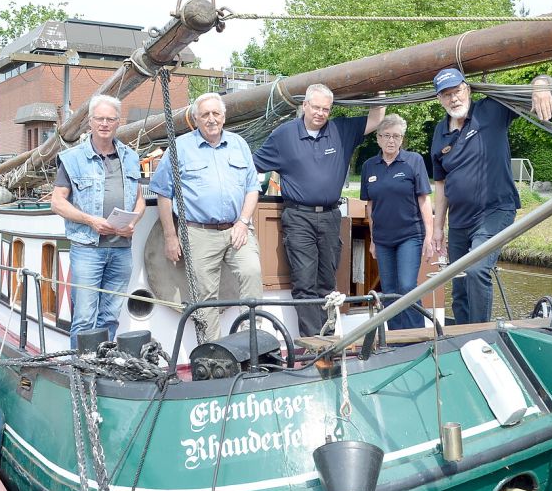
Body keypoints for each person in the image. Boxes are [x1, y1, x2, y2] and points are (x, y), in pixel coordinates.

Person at [253, 84, 385, 337]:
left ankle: (328, 335)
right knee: (304, 282)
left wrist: (379, 87)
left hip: (330, 216)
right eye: (316, 107)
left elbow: (376, 118)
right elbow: (252, 166)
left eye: (326, 109)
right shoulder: (284, 136)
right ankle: (314, 342)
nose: (320, 113)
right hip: (298, 216)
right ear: (305, 106)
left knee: (326, 281)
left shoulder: (341, 130)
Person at [429, 67, 552, 324]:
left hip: (494, 212)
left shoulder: (491, 110)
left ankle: (480, 333)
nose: (454, 99)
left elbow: (529, 91)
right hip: (459, 220)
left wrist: (541, 84)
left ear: (469, 89)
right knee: (460, 281)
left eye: (457, 91)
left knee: (476, 270)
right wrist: (438, 228)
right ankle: (462, 336)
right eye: (446, 95)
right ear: (439, 99)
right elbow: (440, 184)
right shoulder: (439, 133)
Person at [149, 93, 262, 342]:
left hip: (236, 229)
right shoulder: (179, 147)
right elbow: (164, 195)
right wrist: (170, 236)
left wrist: (243, 221)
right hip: (198, 233)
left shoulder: (239, 144)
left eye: (216, 114)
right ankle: (214, 353)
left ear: (224, 117)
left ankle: (252, 342)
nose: (211, 119)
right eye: (205, 115)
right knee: (205, 296)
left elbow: (252, 188)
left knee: (251, 272)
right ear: (196, 119)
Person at [51, 94, 145, 348]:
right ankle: (80, 373)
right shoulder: (72, 159)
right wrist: (89, 220)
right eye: (99, 119)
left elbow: (139, 200)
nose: (105, 124)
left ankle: (102, 366)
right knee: (84, 317)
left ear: (118, 123)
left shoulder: (131, 157)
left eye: (110, 119)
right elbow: (57, 202)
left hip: (121, 249)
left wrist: (133, 222)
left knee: (110, 316)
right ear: (90, 122)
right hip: (87, 248)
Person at [360, 113, 434, 330]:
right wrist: (373, 240)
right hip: (383, 239)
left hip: (409, 235)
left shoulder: (414, 161)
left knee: (407, 286)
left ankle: (415, 338)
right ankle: (393, 339)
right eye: (386, 136)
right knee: (390, 290)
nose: (391, 141)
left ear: (402, 139)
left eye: (397, 136)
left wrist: (429, 236)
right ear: (378, 139)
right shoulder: (369, 166)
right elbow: (370, 205)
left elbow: (424, 200)